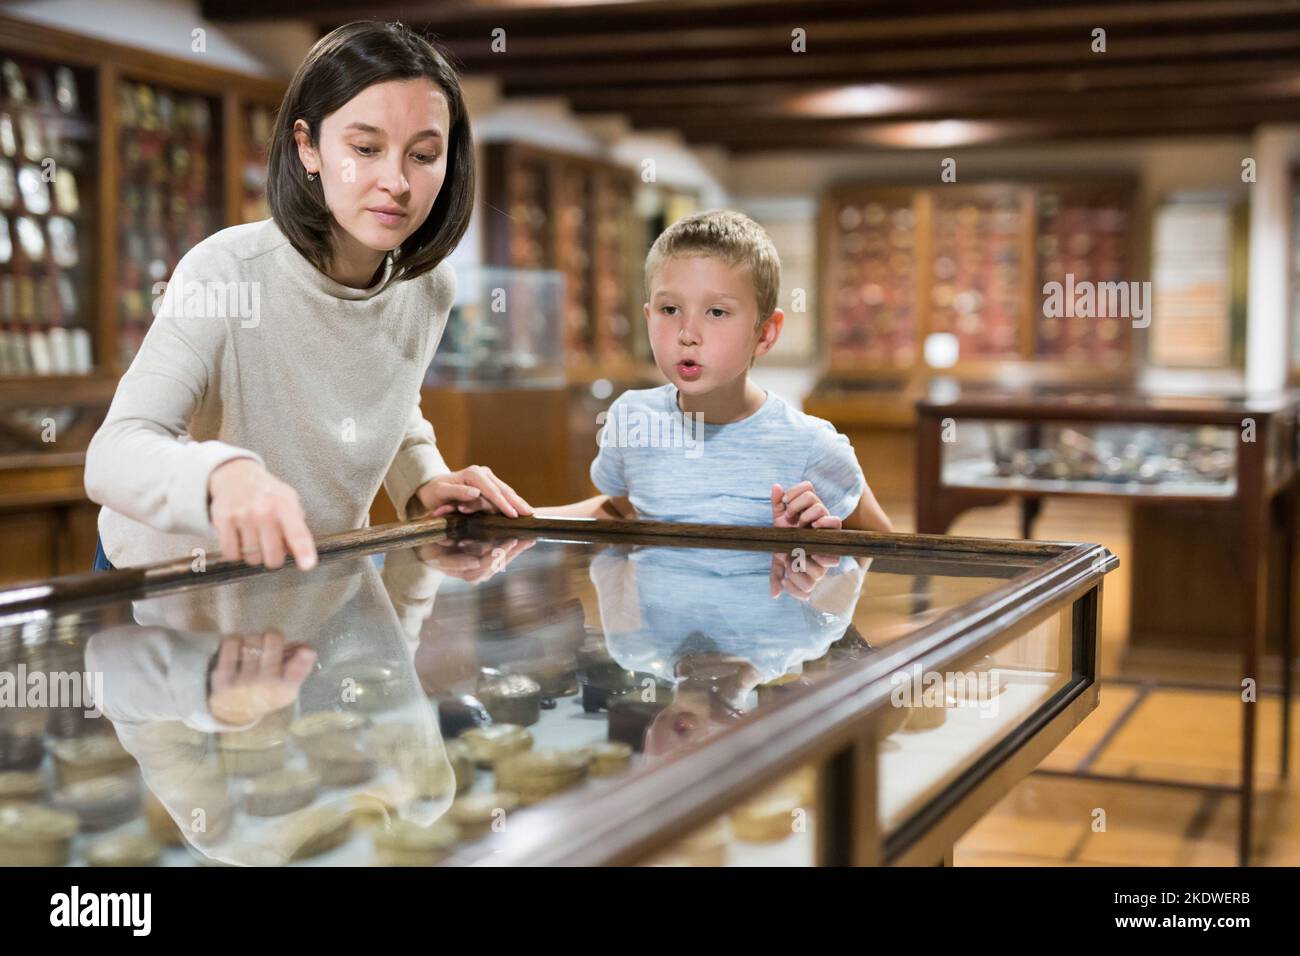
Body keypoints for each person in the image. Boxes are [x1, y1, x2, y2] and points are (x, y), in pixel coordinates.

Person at [84, 21, 532, 574]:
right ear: (308, 148)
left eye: (422, 155)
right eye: (365, 148)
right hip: (170, 586)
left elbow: (388, 400)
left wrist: (424, 480)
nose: (395, 180)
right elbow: (114, 453)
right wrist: (221, 476)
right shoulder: (224, 271)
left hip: (314, 575)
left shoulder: (429, 287)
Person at [537, 209, 891, 531]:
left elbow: (886, 549)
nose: (687, 335)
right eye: (670, 309)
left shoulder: (812, 445)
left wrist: (823, 549)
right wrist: (512, 514)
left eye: (717, 312)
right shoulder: (631, 417)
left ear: (765, 333)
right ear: (648, 318)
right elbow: (620, 511)